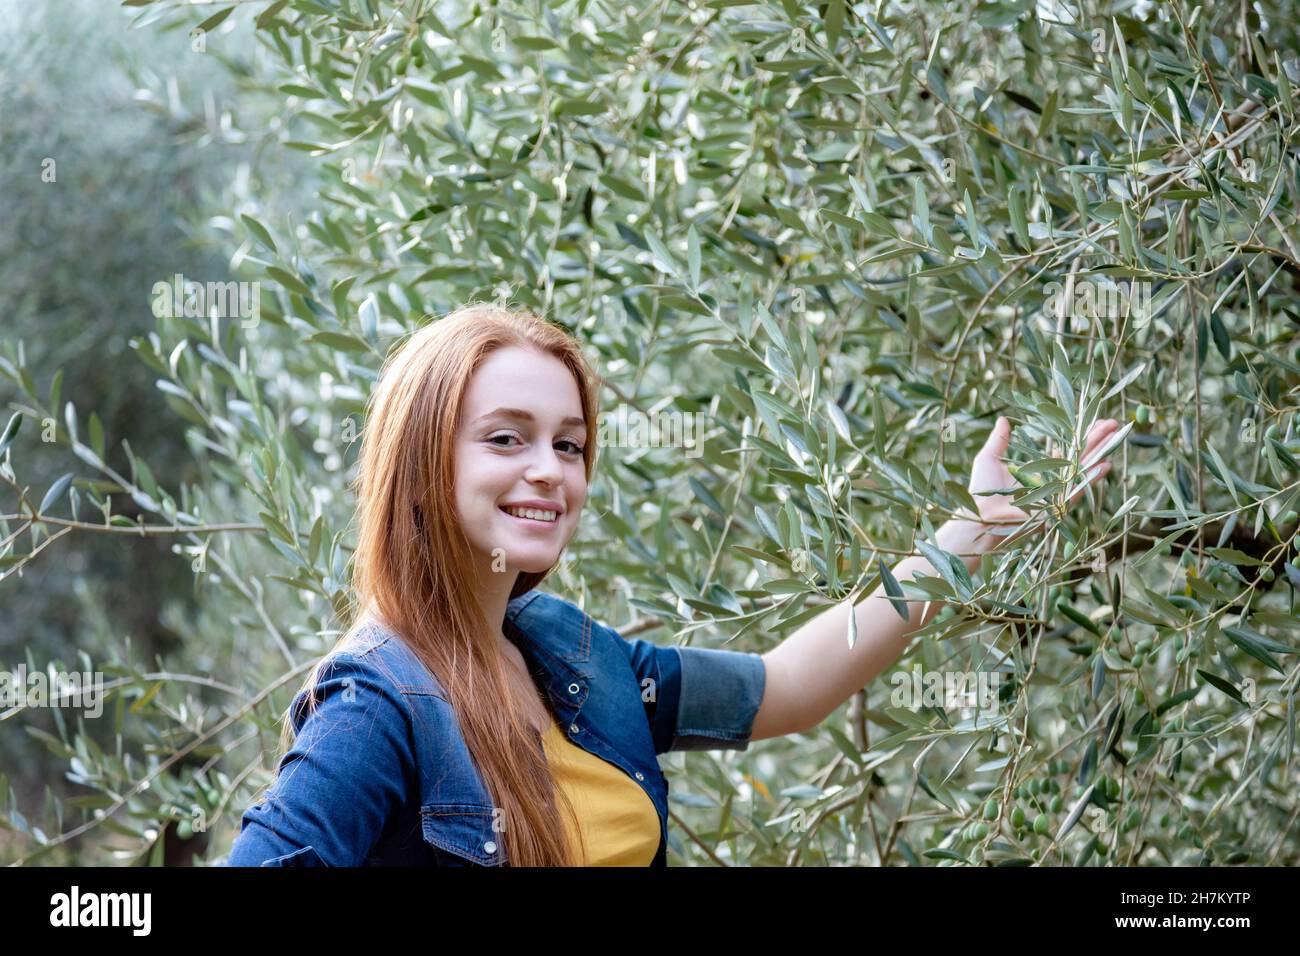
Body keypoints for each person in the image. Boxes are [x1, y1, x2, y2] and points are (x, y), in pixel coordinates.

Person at [224, 302, 1118, 867]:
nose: (548, 471)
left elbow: (788, 688)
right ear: (421, 465)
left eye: (568, 445)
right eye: (505, 438)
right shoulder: (375, 704)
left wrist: (973, 536)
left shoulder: (573, 659)